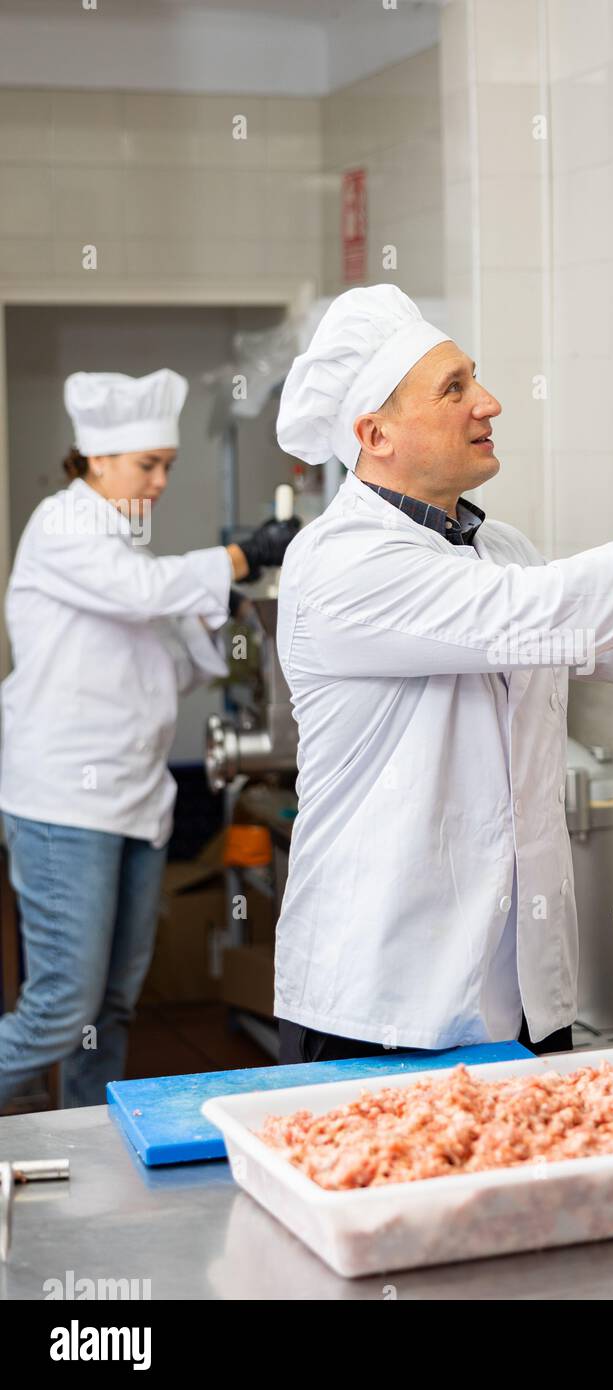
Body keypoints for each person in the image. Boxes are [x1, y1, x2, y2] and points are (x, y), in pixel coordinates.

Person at [271, 286, 613, 1064]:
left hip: (524, 992)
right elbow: (537, 613)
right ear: (376, 433)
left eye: (477, 377)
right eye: (455, 389)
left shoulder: (496, 546)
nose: (489, 403)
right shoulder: (342, 563)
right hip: (386, 1004)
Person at [0, 369, 298, 1108]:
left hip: (134, 795)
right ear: (96, 459)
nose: (161, 481)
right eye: (148, 465)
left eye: (168, 465)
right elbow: (145, 595)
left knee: (111, 1009)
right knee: (60, 1011)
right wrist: (241, 557)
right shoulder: (63, 526)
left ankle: (84, 1149)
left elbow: (169, 661)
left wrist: (226, 607)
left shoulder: (126, 546)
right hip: (64, 802)